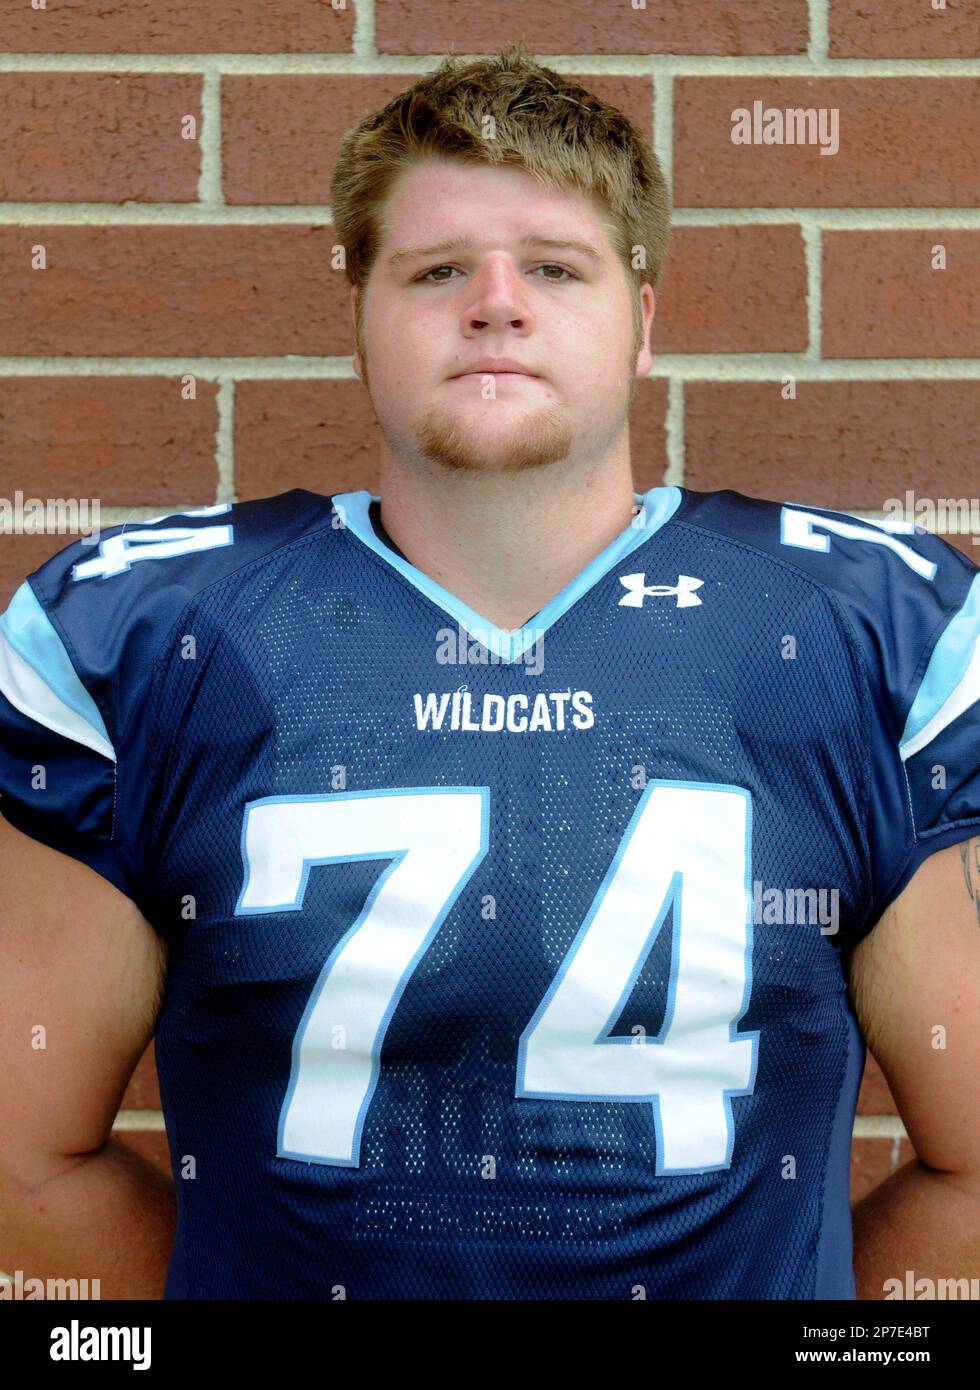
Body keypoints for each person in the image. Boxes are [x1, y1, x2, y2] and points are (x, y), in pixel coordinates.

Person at [1, 45, 978, 1301]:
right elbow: (27, 1164)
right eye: (436, 270)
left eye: (556, 268)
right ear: (358, 315)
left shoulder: (862, 633)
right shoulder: (149, 631)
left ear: (642, 322)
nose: (496, 303)